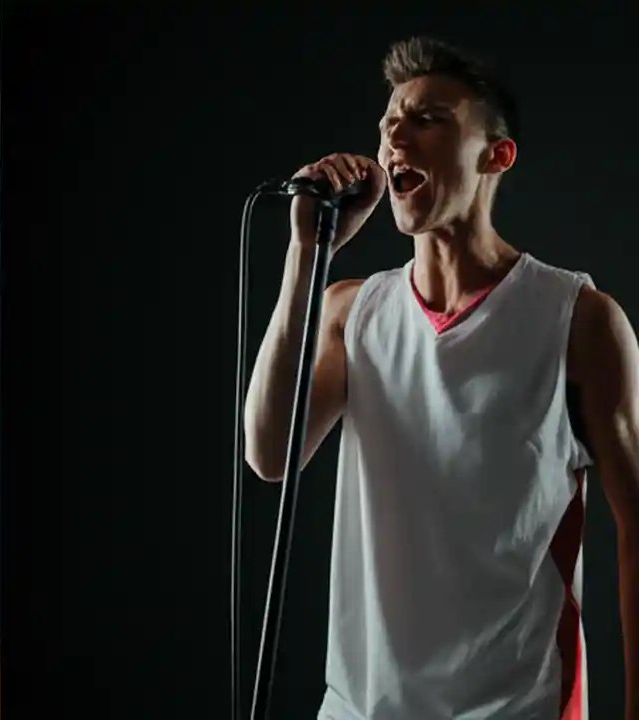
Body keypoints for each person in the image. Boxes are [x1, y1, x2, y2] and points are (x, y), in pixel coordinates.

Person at [244, 37, 639, 719]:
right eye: (390, 121)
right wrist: (306, 254)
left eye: (428, 119)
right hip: (360, 707)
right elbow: (268, 454)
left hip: (516, 706)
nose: (395, 133)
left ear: (496, 155)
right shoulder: (349, 311)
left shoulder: (578, 319)